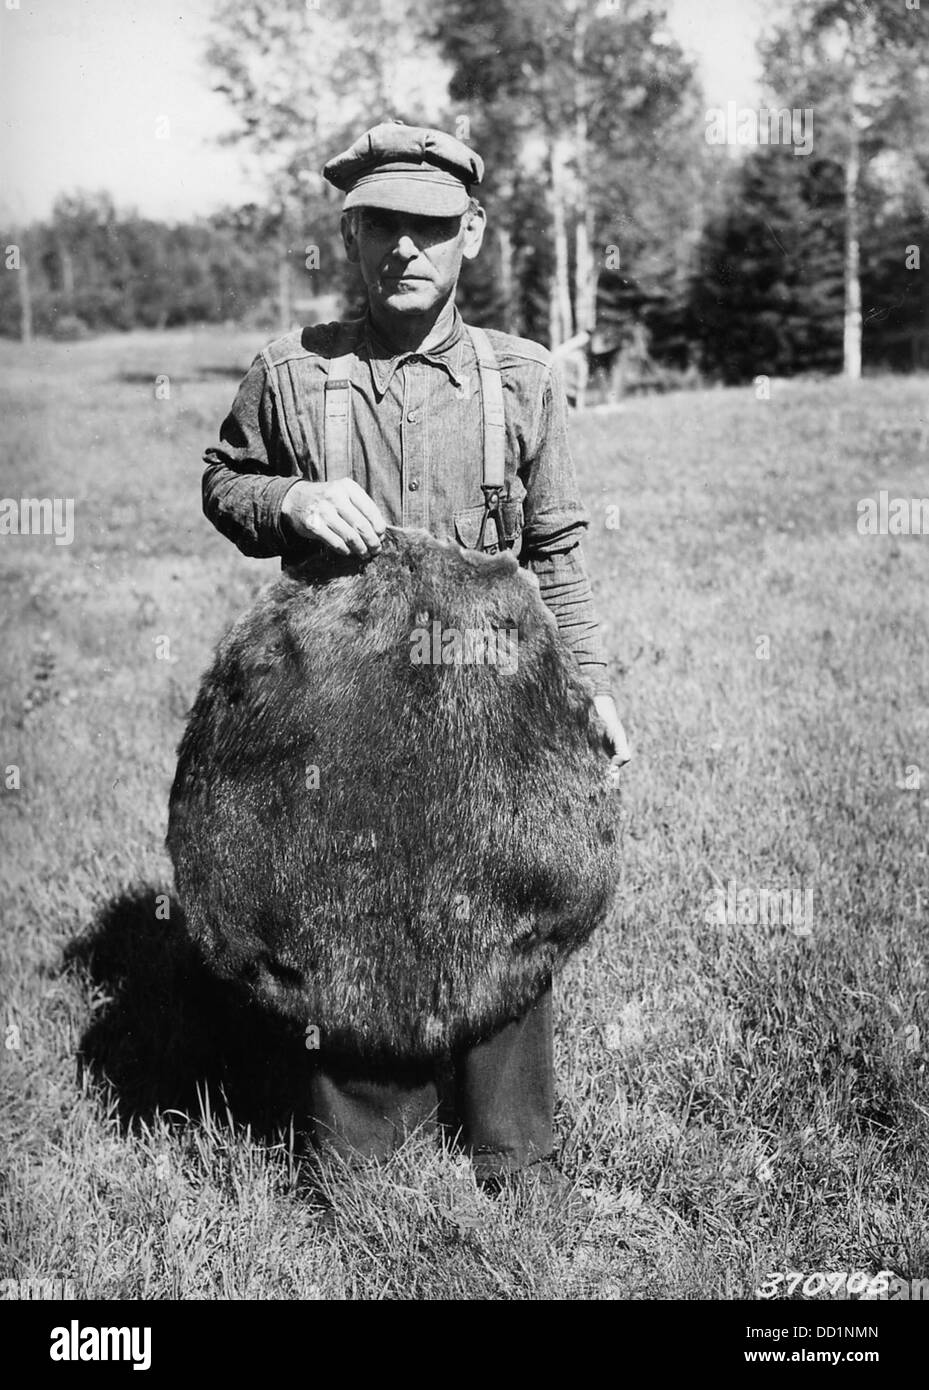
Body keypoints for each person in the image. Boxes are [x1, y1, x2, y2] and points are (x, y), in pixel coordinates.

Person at [201, 121, 631, 1190]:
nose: (404, 247)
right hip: (339, 697)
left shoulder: (521, 378)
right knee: (349, 902)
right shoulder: (291, 373)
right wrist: (291, 497)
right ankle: (364, 1148)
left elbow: (557, 549)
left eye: (429, 228)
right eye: (380, 224)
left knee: (507, 883)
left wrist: (588, 693)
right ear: (350, 234)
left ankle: (510, 1147)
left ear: (470, 235)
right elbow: (223, 482)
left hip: (495, 691)